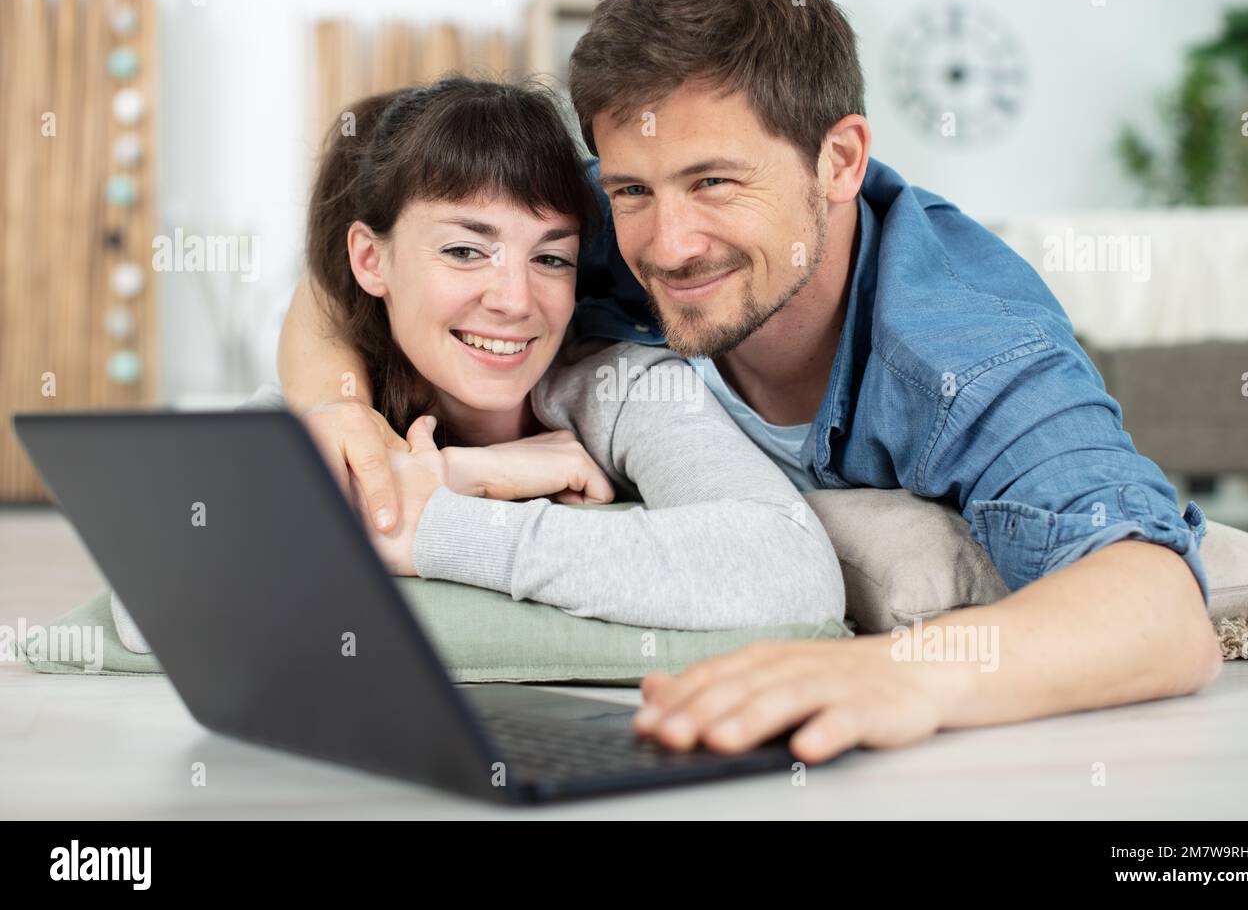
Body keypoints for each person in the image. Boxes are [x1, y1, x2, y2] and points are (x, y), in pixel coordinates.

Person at [278, 0, 1222, 763]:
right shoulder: (606, 230)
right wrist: (340, 411)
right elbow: (339, 285)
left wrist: (898, 674)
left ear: (840, 161)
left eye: (717, 183)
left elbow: (1160, 610)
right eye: (635, 188)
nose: (672, 244)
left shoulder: (963, 348)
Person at [113, 77, 847, 647]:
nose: (513, 299)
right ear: (372, 259)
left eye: (550, 257)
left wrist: (439, 521)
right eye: (465, 250)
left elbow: (790, 570)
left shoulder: (619, 385)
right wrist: (468, 480)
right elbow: (147, 603)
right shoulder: (332, 406)